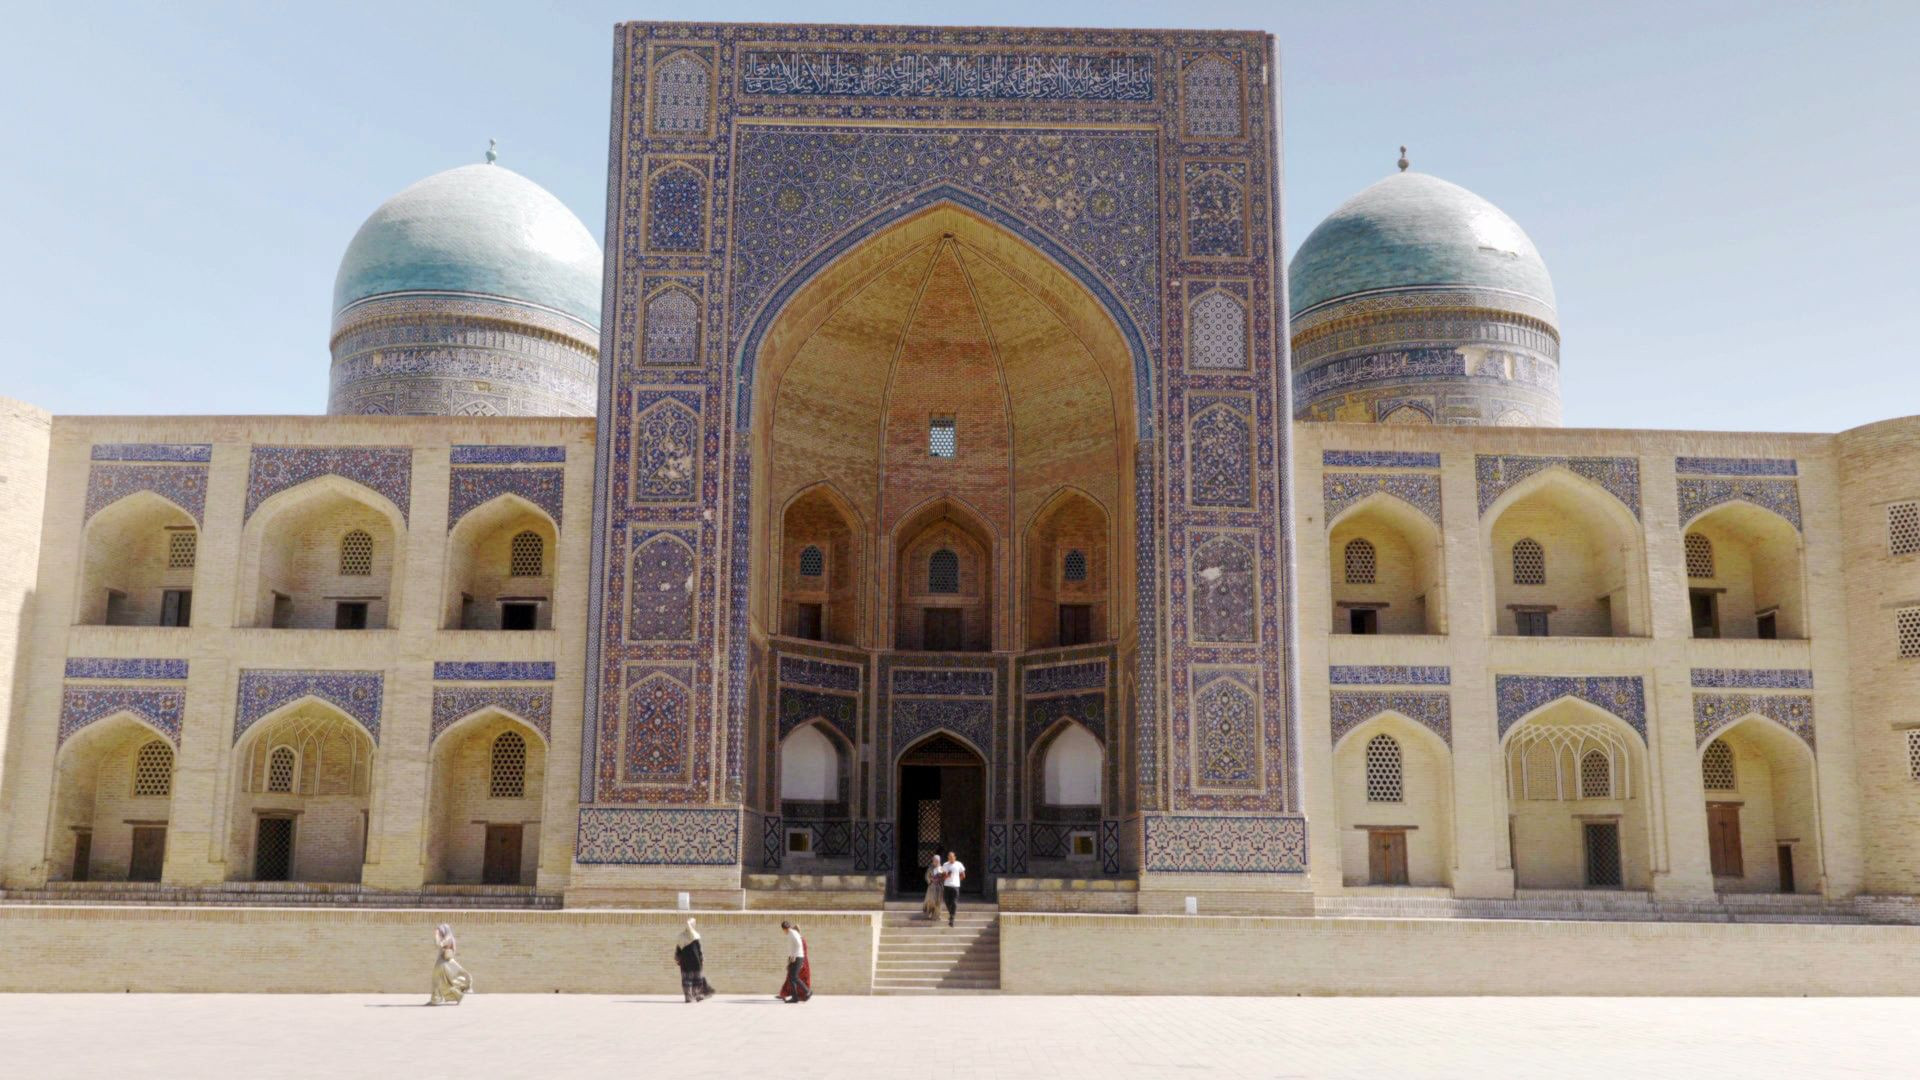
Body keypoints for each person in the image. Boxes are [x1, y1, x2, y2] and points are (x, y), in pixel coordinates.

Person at [428, 923, 473, 1005]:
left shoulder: (448, 938)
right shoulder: (450, 937)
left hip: (443, 962)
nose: (440, 933)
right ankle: (455, 996)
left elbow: (438, 944)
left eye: (441, 931)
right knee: (445, 982)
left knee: (437, 980)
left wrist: (436, 934)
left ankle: (436, 999)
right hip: (445, 962)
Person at [673, 917, 711, 1003]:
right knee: (696, 978)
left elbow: (678, 949)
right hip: (695, 961)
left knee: (687, 979)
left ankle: (689, 997)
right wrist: (702, 959)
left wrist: (677, 958)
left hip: (685, 962)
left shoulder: (681, 936)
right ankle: (697, 995)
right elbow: (699, 949)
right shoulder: (696, 936)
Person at [777, 920, 811, 1003]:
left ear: (784, 929)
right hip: (795, 957)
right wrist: (791, 959)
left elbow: (798, 945)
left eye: (783, 930)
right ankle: (795, 997)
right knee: (792, 977)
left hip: (798, 957)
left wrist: (794, 956)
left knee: (794, 977)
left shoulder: (792, 933)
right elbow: (793, 947)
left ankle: (807, 991)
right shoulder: (791, 933)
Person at [938, 851, 965, 927]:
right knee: (946, 901)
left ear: (955, 857)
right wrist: (947, 876)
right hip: (947, 885)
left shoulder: (959, 864)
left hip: (955, 886)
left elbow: (963, 875)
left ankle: (952, 918)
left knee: (954, 902)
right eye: (949, 857)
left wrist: (957, 880)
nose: (950, 858)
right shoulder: (945, 865)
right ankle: (951, 914)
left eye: (952, 856)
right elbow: (943, 877)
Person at [920, 852, 943, 920]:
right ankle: (929, 913)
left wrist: (940, 879)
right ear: (933, 861)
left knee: (938, 901)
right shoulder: (930, 869)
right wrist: (931, 880)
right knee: (930, 901)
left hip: (939, 887)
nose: (936, 862)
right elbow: (927, 876)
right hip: (932, 887)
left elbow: (944, 877)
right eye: (935, 861)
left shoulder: (942, 869)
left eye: (937, 861)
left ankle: (937, 915)